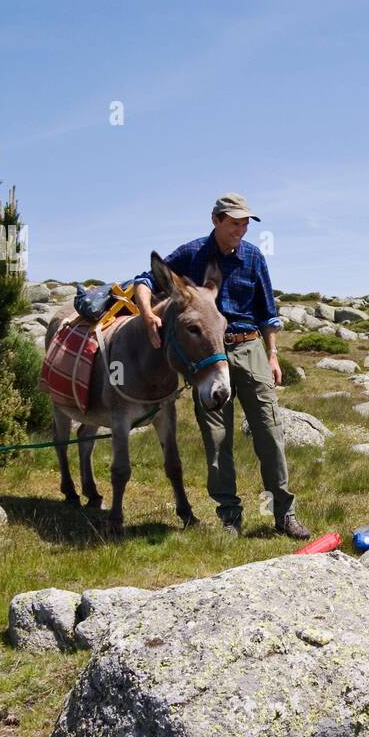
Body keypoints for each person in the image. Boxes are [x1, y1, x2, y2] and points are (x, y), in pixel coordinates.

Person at [132, 193, 310, 539]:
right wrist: (147, 313)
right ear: (216, 220)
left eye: (245, 223)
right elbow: (144, 279)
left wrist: (272, 355)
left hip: (250, 348)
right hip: (207, 355)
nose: (241, 230)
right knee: (216, 439)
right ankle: (230, 518)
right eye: (234, 223)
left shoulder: (254, 257)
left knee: (269, 433)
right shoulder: (192, 253)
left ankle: (284, 514)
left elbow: (266, 311)